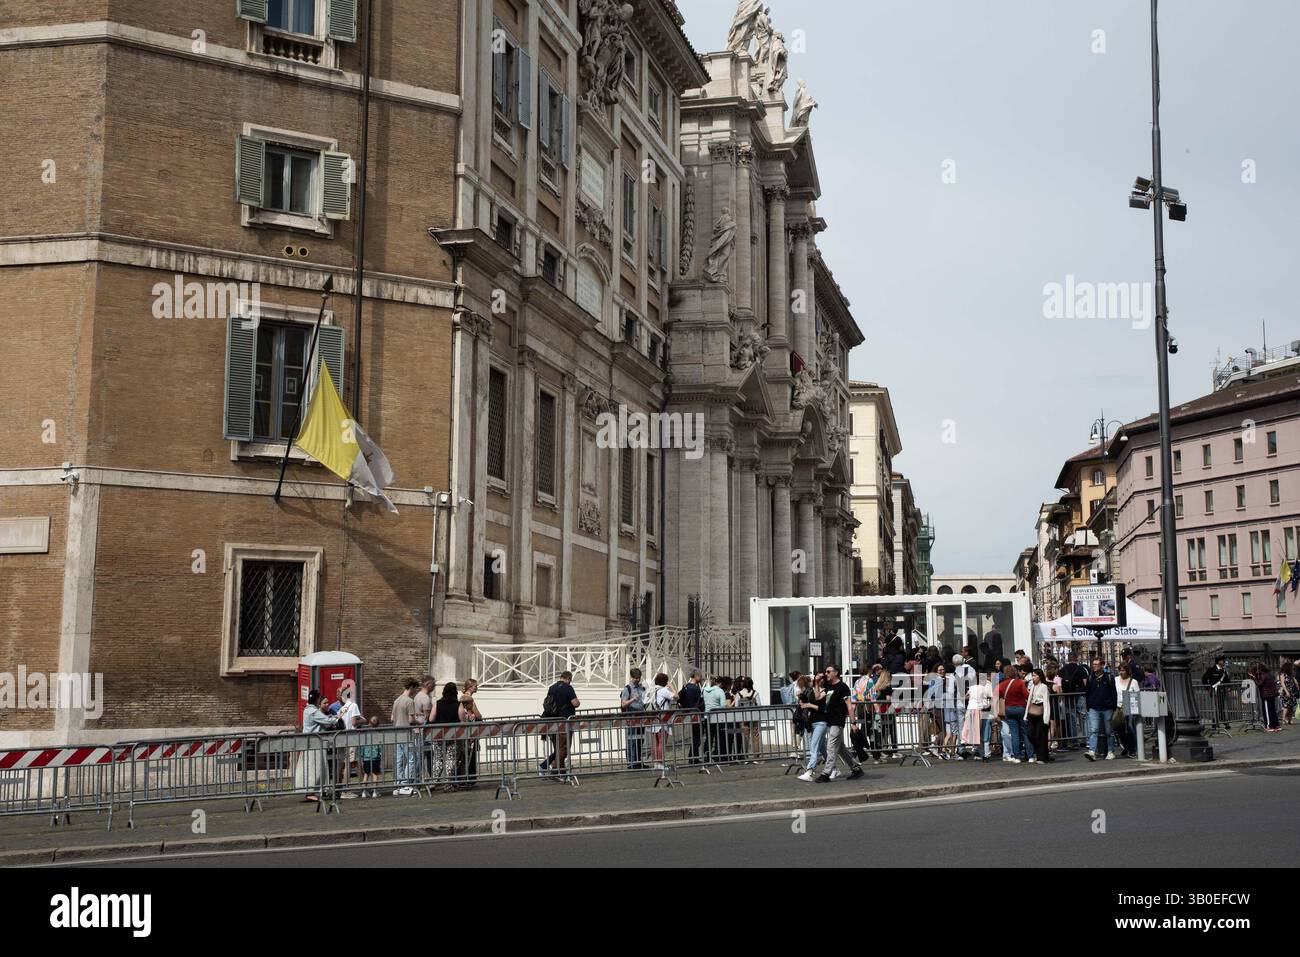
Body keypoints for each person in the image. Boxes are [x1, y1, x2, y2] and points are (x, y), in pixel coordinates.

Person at [816, 665, 865, 782]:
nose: (826, 674)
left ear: (836, 673)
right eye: (825, 671)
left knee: (831, 747)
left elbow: (849, 706)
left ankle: (826, 773)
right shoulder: (828, 686)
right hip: (829, 721)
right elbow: (818, 697)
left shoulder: (843, 687)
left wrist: (853, 722)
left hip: (837, 721)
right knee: (841, 748)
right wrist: (817, 683)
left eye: (828, 672)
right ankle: (856, 768)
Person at [297, 688, 340, 800]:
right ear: (316, 700)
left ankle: (319, 790)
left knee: (315, 767)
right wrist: (337, 719)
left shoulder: (307, 709)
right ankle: (311, 792)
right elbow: (326, 721)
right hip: (314, 743)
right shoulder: (313, 712)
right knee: (314, 768)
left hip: (311, 742)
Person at [540, 671, 580, 778]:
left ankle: (560, 771)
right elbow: (575, 703)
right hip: (564, 722)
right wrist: (578, 702)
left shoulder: (552, 688)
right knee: (564, 748)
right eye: (570, 681)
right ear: (568, 679)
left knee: (558, 747)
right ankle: (555, 769)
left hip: (552, 722)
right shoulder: (568, 688)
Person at [1082, 657, 1119, 761]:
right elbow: (1087, 693)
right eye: (1093, 664)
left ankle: (1110, 751)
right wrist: (1088, 706)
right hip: (1094, 708)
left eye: (1096, 664)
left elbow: (1113, 693)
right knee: (1094, 730)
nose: (1094, 666)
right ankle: (1092, 751)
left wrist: (1113, 706)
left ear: (1102, 665)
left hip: (1107, 708)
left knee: (1109, 731)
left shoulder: (1109, 678)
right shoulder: (1090, 678)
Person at [390, 678, 420, 794]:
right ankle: (405, 783)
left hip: (397, 732)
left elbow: (392, 718)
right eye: (415, 689)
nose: (415, 692)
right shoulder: (409, 701)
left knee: (399, 759)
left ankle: (398, 783)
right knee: (412, 759)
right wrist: (420, 722)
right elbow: (411, 720)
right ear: (411, 687)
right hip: (406, 733)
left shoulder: (396, 700)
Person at [797, 674, 829, 780]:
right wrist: (802, 700)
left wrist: (809, 705)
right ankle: (833, 769)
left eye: (821, 677)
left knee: (813, 746)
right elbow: (810, 700)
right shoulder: (812, 690)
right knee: (822, 748)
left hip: (821, 721)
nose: (818, 679)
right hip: (812, 722)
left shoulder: (826, 691)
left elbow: (822, 707)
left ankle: (810, 771)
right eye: (817, 677)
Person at [997, 665, 1029, 763]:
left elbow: (998, 696)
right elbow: (1026, 695)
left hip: (1009, 709)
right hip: (1020, 708)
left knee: (1014, 734)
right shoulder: (1019, 682)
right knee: (1025, 733)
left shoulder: (1002, 685)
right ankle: (1030, 755)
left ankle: (1017, 756)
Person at [620, 668, 649, 769]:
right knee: (632, 740)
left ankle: (638, 761)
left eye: (639, 678)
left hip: (641, 716)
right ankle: (631, 762)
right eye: (636, 678)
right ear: (632, 677)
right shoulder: (627, 689)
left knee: (640, 739)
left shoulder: (641, 688)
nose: (638, 680)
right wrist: (633, 699)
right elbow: (623, 704)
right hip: (632, 717)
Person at [648, 673, 677, 769]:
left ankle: (656, 762)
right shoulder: (664, 690)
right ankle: (660, 762)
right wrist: (671, 687)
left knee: (655, 742)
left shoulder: (651, 690)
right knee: (662, 741)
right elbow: (676, 697)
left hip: (653, 717)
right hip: (663, 718)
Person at [678, 670, 706, 765]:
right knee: (697, 737)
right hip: (696, 714)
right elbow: (699, 702)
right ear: (696, 676)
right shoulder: (695, 689)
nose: (701, 678)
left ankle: (692, 756)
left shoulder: (686, 686)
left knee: (695, 737)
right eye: (700, 676)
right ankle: (693, 757)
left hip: (687, 713)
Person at [963, 673, 993, 760]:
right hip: (984, 711)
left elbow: (990, 698)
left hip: (983, 711)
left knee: (981, 733)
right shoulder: (985, 686)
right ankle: (984, 754)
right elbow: (990, 699)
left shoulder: (983, 686)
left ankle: (983, 753)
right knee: (984, 733)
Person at [1025, 669, 1052, 763]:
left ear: (1039, 677)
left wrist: (1046, 718)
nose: (1033, 678)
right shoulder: (1033, 686)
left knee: (1041, 735)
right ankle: (1040, 754)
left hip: (1041, 712)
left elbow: (1046, 702)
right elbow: (1029, 700)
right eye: (1032, 675)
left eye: (1035, 676)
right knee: (1031, 734)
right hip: (1032, 712)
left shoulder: (1044, 687)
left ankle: (1042, 757)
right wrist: (1026, 715)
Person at [1114, 665, 1140, 757]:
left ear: (1127, 671)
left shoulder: (1134, 682)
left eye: (1123, 670)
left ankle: (1133, 749)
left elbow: (1137, 695)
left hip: (1130, 707)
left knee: (1130, 728)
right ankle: (1126, 746)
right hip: (1118, 706)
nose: (1121, 672)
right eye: (1120, 670)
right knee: (1119, 728)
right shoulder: (1116, 679)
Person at [702, 674, 728, 762]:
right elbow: (723, 705)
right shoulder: (720, 691)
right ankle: (718, 755)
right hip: (717, 717)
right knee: (719, 737)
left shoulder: (705, 690)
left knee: (708, 738)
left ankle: (707, 756)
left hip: (707, 716)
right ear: (720, 683)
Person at [735, 676, 761, 762]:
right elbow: (759, 705)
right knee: (755, 737)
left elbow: (736, 707)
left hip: (744, 718)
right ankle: (756, 757)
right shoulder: (755, 693)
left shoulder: (739, 694)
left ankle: (745, 757)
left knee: (745, 737)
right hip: (754, 718)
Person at [1201, 656, 1230, 730]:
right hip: (1214, 692)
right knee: (1216, 707)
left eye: (1223, 660)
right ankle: (1218, 723)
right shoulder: (1211, 670)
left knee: (1221, 707)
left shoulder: (1223, 671)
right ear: (1218, 661)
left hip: (1222, 692)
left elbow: (1227, 680)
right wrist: (1207, 688)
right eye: (1221, 660)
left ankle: (1219, 723)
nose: (1223, 662)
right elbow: (1204, 678)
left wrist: (1229, 688)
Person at [358, 715, 382, 798]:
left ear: (369, 723)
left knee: (366, 774)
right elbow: (380, 745)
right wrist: (380, 753)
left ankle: (364, 792)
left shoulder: (365, 734)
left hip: (366, 757)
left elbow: (362, 746)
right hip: (375, 756)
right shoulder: (378, 734)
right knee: (375, 774)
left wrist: (361, 755)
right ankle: (375, 792)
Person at [1257, 665, 1282, 731]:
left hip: (1266, 695)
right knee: (1273, 710)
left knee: (1267, 711)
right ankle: (1276, 725)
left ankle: (1269, 726)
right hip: (1272, 695)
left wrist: (1255, 678)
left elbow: (1259, 684)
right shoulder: (1269, 674)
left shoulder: (1263, 675)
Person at [1278, 660, 1298, 726]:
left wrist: (1296, 684)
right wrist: (1286, 692)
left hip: (1292, 691)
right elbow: (1283, 683)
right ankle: (1284, 719)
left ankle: (1290, 719)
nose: (1292, 668)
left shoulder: (1290, 674)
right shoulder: (1282, 674)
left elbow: (1294, 680)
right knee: (1286, 705)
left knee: (1291, 706)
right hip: (1286, 691)